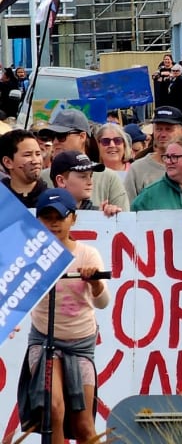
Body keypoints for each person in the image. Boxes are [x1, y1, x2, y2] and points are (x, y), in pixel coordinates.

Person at [16, 188, 110, 444]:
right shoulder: (29, 256)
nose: (54, 223)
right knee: (53, 411)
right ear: (37, 221)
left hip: (80, 344)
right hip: (45, 340)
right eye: (46, 217)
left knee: (83, 425)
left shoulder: (87, 254)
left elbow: (103, 302)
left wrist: (94, 283)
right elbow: (14, 295)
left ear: (73, 219)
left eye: (60, 216)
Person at [40, 110, 129, 212]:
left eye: (61, 136)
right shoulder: (42, 178)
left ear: (82, 136)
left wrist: (112, 215)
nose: (55, 142)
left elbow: (125, 223)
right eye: (52, 137)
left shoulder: (109, 178)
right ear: (60, 180)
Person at [124, 106, 182, 203]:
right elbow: (128, 208)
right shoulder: (137, 169)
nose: (163, 134)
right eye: (159, 129)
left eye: (169, 129)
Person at [50, 151, 122, 217]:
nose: (90, 182)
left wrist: (105, 218)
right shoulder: (44, 214)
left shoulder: (99, 212)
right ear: (61, 181)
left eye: (90, 176)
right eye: (83, 176)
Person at [0, 129, 46, 207]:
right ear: (8, 162)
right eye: (27, 155)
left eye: (38, 154)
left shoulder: (53, 200)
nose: (36, 161)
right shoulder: (2, 198)